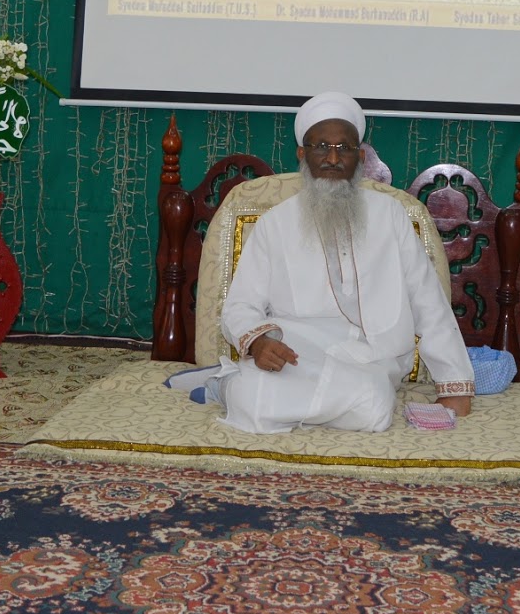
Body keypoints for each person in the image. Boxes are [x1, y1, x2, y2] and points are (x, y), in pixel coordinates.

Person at [181, 92, 474, 434]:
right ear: (302, 154)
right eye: (321, 147)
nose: (333, 158)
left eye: (344, 148)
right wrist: (259, 342)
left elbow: (428, 300)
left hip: (370, 356)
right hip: (296, 350)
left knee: (375, 410)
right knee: (256, 399)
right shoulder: (275, 223)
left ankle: (268, 397)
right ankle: (227, 385)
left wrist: (454, 384)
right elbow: (241, 305)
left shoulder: (391, 216)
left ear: (360, 157)